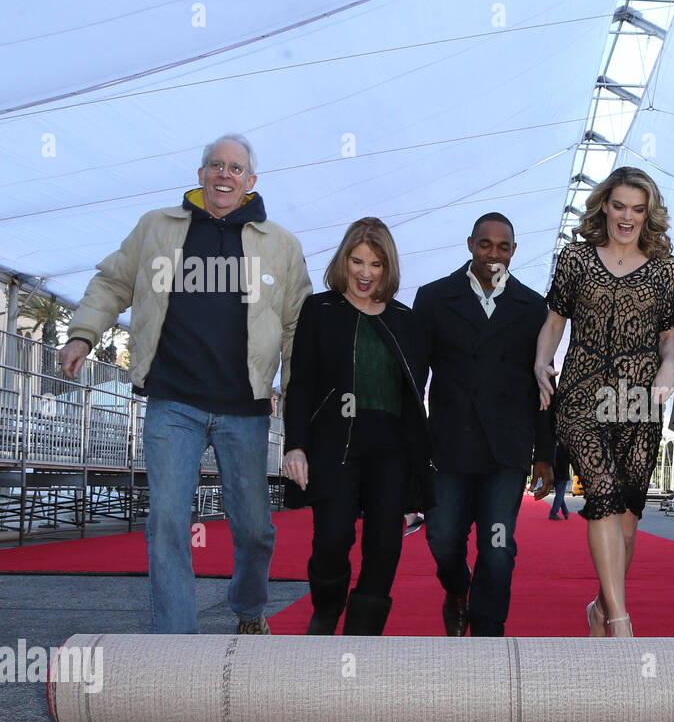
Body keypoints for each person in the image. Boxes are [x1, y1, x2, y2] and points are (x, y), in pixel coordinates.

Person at [59, 134, 312, 634]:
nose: (224, 175)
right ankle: (177, 643)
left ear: (251, 181)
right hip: (173, 402)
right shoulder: (157, 228)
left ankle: (248, 608)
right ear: (200, 175)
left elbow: (295, 328)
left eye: (235, 169)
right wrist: (84, 335)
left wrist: (296, 400)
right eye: (215, 165)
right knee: (169, 522)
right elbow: (112, 281)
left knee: (256, 530)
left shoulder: (281, 245)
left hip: (245, 407)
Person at [535, 166, 674, 638]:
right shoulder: (575, 259)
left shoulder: (664, 268)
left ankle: (600, 605)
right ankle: (620, 620)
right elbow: (555, 323)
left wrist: (669, 367)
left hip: (638, 398)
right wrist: (542, 362)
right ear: (604, 206)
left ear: (647, 214)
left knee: (627, 523)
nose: (627, 217)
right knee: (600, 490)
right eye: (619, 206)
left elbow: (669, 338)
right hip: (581, 392)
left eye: (638, 209)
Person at [281, 217, 434, 635]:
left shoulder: (405, 319)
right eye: (358, 260)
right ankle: (326, 610)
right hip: (334, 444)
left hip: (391, 449)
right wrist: (295, 444)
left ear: (389, 268)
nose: (365, 273)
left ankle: (362, 637)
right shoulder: (320, 310)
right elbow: (301, 383)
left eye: (376, 264)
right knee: (331, 539)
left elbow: (414, 391)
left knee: (384, 546)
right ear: (344, 259)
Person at [413, 213, 554, 637]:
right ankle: (456, 590)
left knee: (497, 547)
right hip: (449, 449)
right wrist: (410, 447)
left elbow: (544, 384)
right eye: (485, 244)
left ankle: (489, 630)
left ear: (514, 250)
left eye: (503, 246)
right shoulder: (434, 298)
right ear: (470, 244)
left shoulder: (533, 308)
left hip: (505, 454)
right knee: (442, 537)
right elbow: (415, 377)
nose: (494, 253)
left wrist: (545, 456)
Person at [549, 441, 572, 520]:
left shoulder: (554, 449)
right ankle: (553, 513)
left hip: (555, 475)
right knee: (560, 495)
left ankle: (565, 512)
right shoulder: (567, 450)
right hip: (563, 475)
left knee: (560, 494)